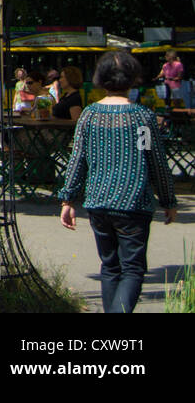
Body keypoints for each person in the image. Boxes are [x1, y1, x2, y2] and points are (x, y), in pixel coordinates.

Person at [59, 50, 177, 313]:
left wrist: (68, 199)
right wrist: (168, 200)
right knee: (133, 269)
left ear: (100, 78)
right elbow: (156, 161)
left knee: (109, 267)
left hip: (98, 203)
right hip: (133, 204)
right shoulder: (143, 118)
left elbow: (78, 160)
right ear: (133, 78)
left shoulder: (89, 116)